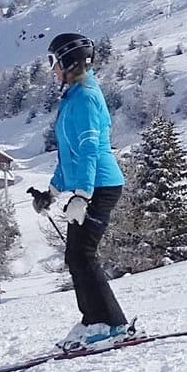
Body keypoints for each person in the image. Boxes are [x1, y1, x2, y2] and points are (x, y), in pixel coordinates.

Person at [28, 31, 132, 353]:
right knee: (76, 255)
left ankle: (112, 324)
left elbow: (88, 152)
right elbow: (69, 156)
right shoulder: (74, 96)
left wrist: (83, 195)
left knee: (83, 254)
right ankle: (93, 322)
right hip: (89, 186)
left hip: (101, 185)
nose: (52, 69)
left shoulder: (85, 97)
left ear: (68, 61)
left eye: (53, 62)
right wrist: (53, 192)